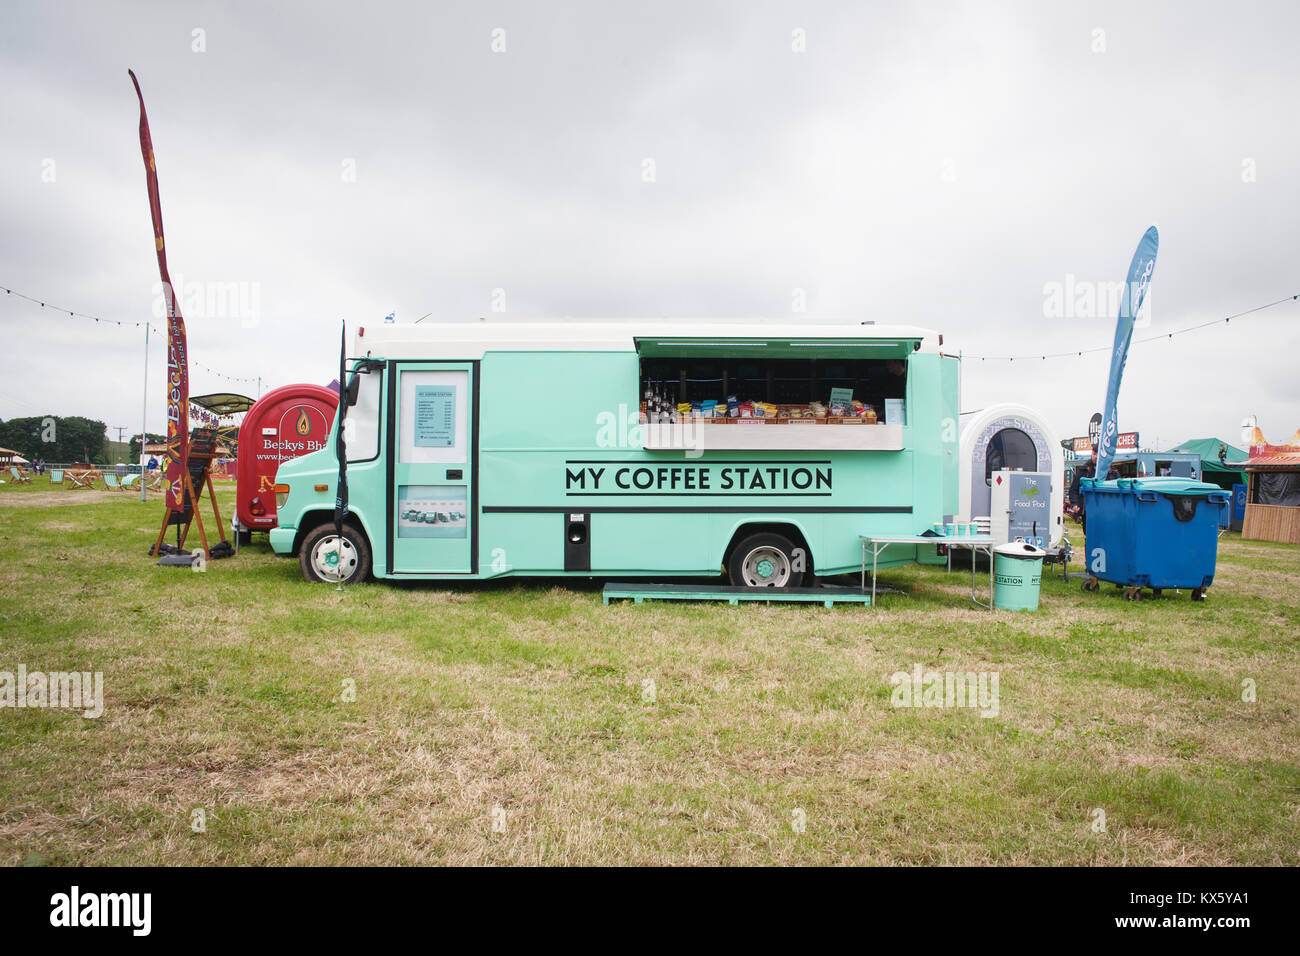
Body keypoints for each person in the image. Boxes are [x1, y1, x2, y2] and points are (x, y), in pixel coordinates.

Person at [1067, 449, 1118, 533]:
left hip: (1107, 511)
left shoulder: (1112, 471)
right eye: (1094, 454)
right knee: (1089, 536)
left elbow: (1118, 489)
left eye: (1098, 454)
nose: (1096, 457)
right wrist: (1075, 504)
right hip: (1088, 511)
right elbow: (1073, 489)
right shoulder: (1084, 469)